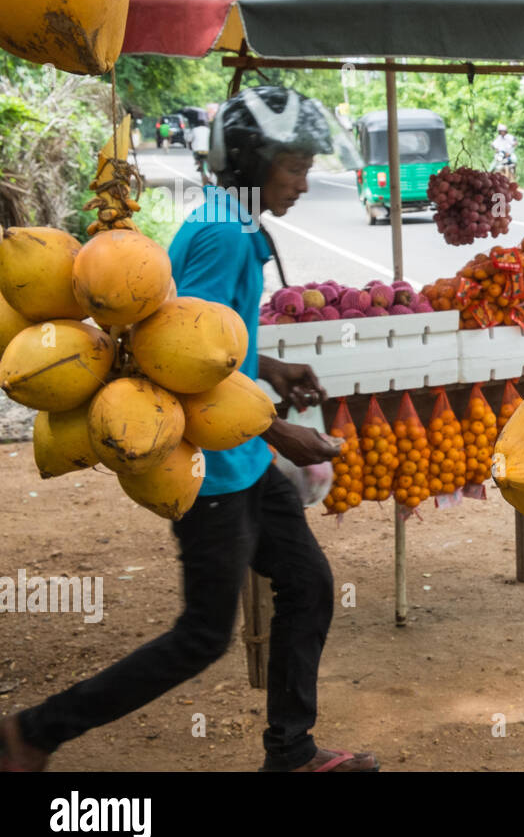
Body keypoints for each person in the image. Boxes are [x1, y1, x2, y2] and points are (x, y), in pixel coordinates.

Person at [0, 86, 378, 773]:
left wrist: (269, 363)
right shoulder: (223, 236)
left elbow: (196, 335)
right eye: (292, 165)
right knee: (203, 634)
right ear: (250, 163)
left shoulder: (230, 224)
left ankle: (291, 751)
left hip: (245, 465)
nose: (302, 180)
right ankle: (33, 731)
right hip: (210, 471)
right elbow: (170, 364)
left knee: (310, 585)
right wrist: (277, 429)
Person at [190, 120, 212, 185]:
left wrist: (190, 145)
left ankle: (198, 162)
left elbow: (189, 139)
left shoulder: (194, 129)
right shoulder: (208, 130)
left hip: (198, 151)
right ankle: (210, 177)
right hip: (207, 151)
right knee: (211, 166)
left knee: (196, 156)